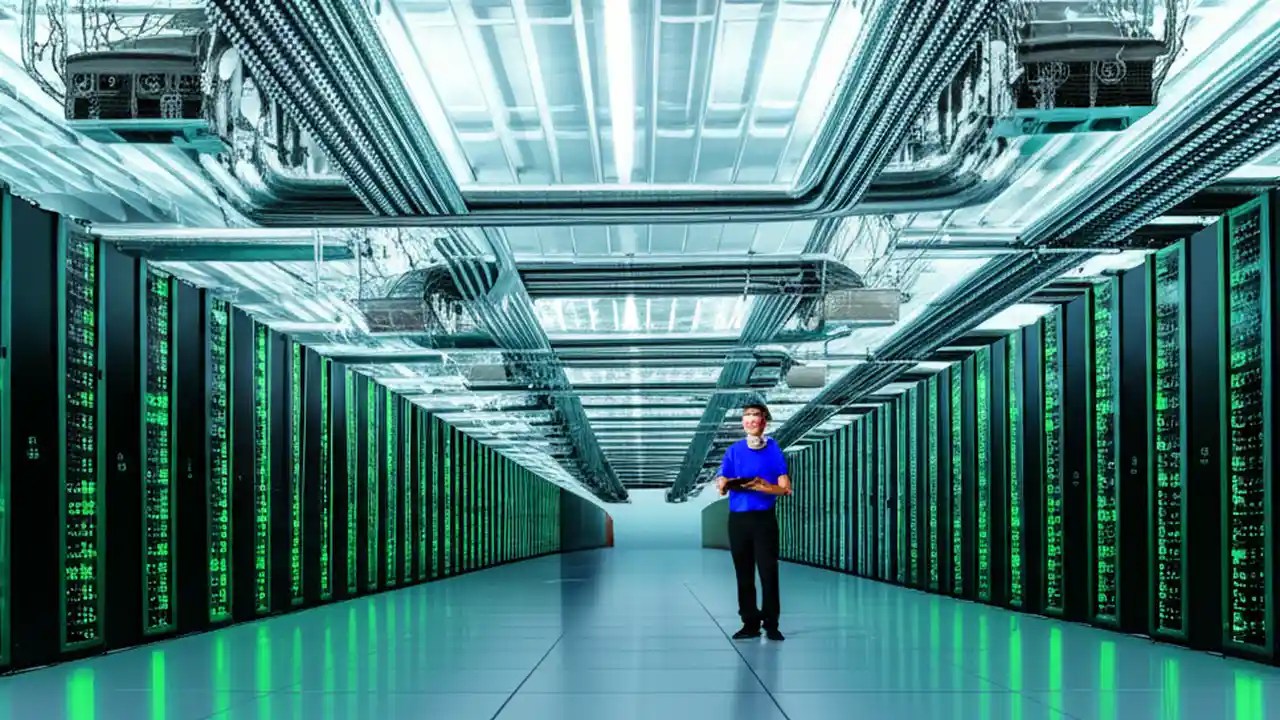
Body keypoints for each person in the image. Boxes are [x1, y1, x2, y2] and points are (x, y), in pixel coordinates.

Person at [715, 401, 792, 641]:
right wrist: (726, 484)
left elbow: (785, 488)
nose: (750, 419)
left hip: (763, 520)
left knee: (769, 572)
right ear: (742, 422)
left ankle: (771, 623)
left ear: (764, 421)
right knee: (744, 573)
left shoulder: (774, 450)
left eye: (755, 415)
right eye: (746, 416)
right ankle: (749, 623)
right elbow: (721, 484)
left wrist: (764, 487)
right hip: (738, 520)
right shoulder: (734, 451)